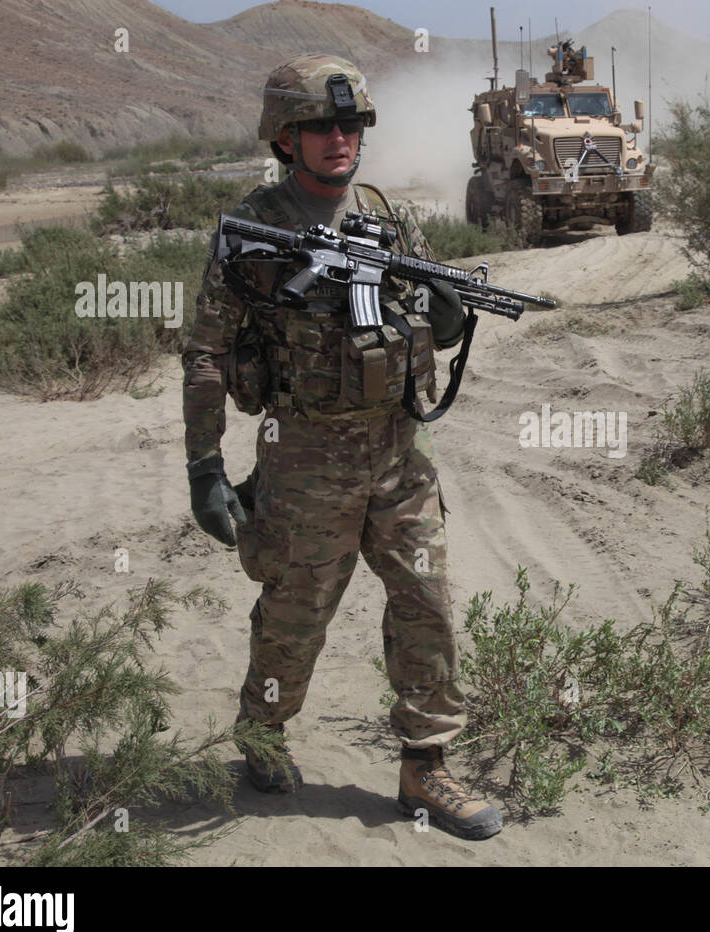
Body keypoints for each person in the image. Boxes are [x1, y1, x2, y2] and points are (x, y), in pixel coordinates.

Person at [181, 53, 502, 841]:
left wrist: (449, 312)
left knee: (429, 606)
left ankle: (425, 768)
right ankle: (262, 733)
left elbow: (428, 308)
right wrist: (205, 469)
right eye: (319, 126)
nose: (339, 138)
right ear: (285, 137)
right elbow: (206, 355)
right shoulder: (251, 231)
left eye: (351, 123)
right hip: (304, 458)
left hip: (397, 456)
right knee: (295, 618)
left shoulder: (388, 217)